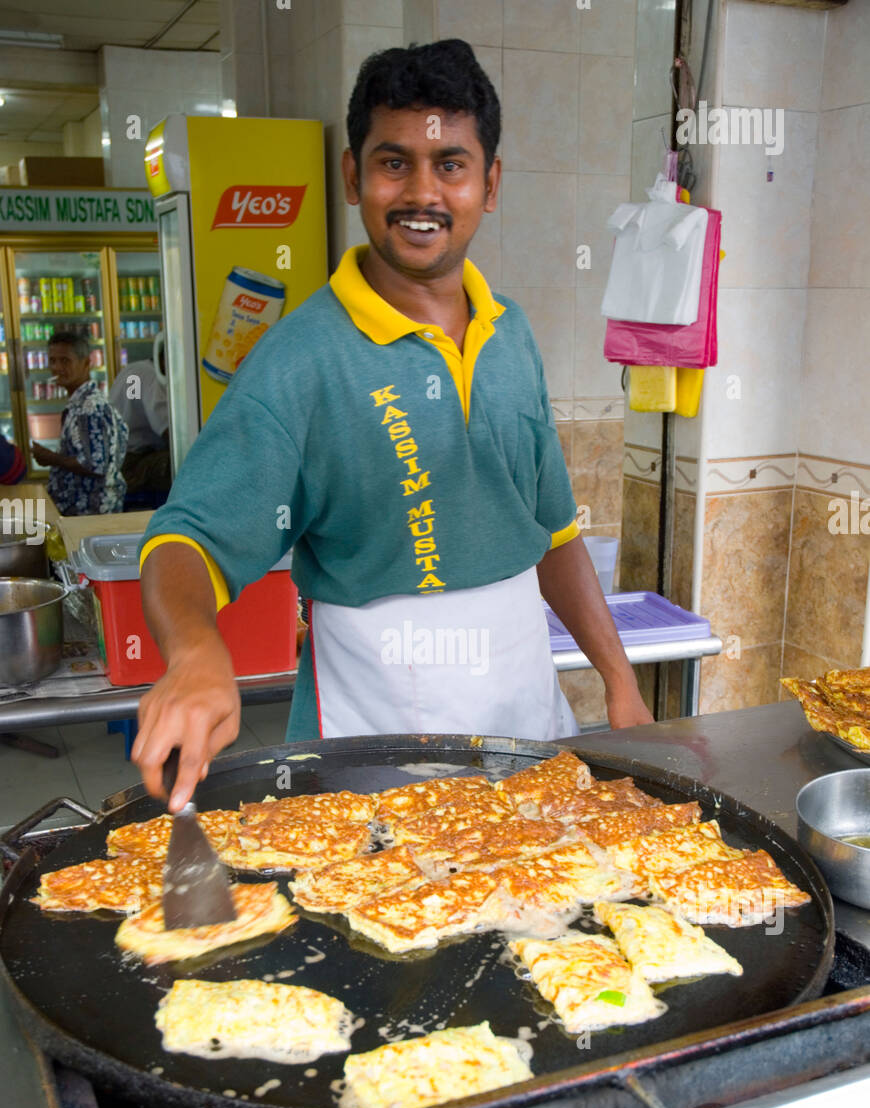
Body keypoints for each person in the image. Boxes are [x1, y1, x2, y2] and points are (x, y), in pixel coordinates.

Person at [134, 38, 652, 810]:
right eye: (393, 162)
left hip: (528, 730)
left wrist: (619, 681)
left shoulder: (511, 335)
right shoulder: (300, 360)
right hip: (370, 752)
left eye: (450, 164)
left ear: (490, 182)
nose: (423, 192)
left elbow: (553, 534)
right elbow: (185, 540)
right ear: (353, 176)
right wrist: (194, 650)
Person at [30, 332, 128, 516]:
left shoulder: (88, 408)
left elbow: (95, 465)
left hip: (90, 514)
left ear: (85, 363)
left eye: (65, 361)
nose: (57, 368)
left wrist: (50, 458)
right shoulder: (83, 403)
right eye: (52, 361)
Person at [108, 346, 171, 506]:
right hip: (132, 462)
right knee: (180, 462)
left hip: (116, 459)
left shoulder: (134, 369)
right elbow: (167, 430)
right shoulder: (152, 377)